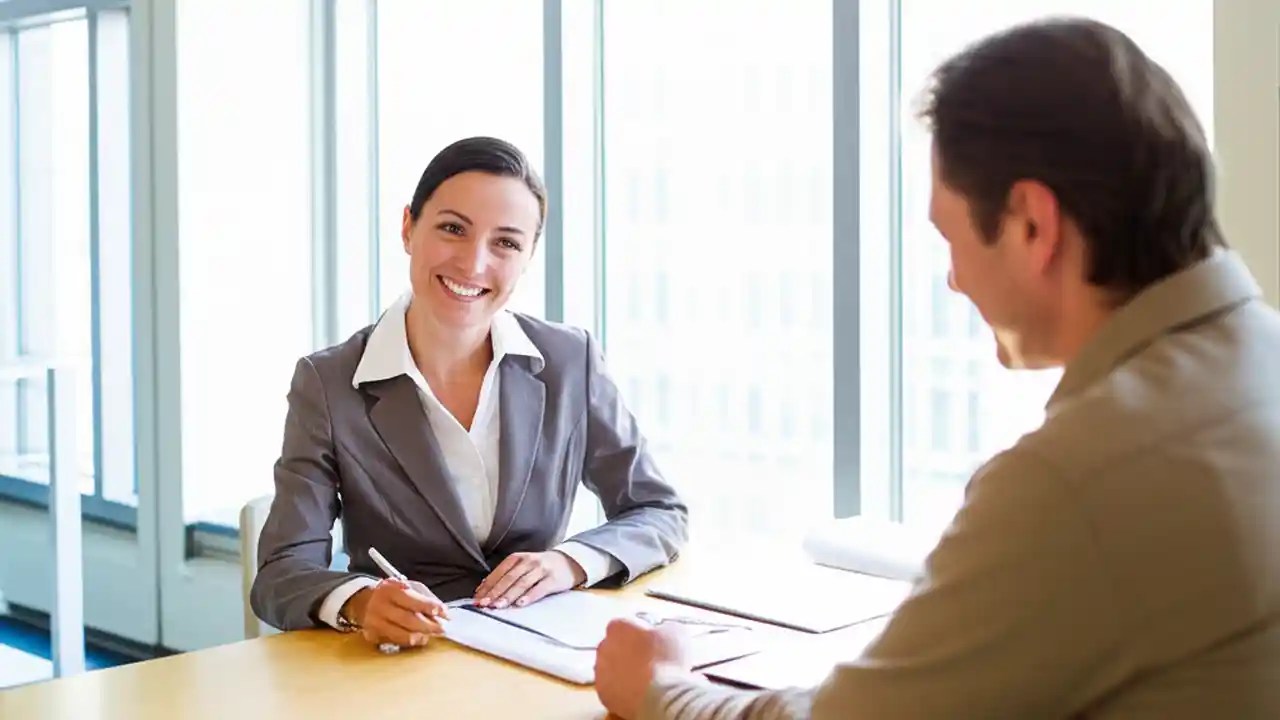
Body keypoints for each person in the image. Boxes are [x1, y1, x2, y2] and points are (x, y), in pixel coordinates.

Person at [594, 17, 1280, 719]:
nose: (953, 280)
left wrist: (661, 689)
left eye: (948, 235)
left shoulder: (1080, 480)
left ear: (1031, 226)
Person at [250, 136, 687, 649]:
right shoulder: (328, 383)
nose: (473, 264)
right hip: (402, 664)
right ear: (408, 228)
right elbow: (281, 571)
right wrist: (360, 601)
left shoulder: (571, 361)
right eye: (453, 229)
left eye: (505, 242)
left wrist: (570, 562)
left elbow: (659, 511)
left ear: (527, 256)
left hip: (539, 652)